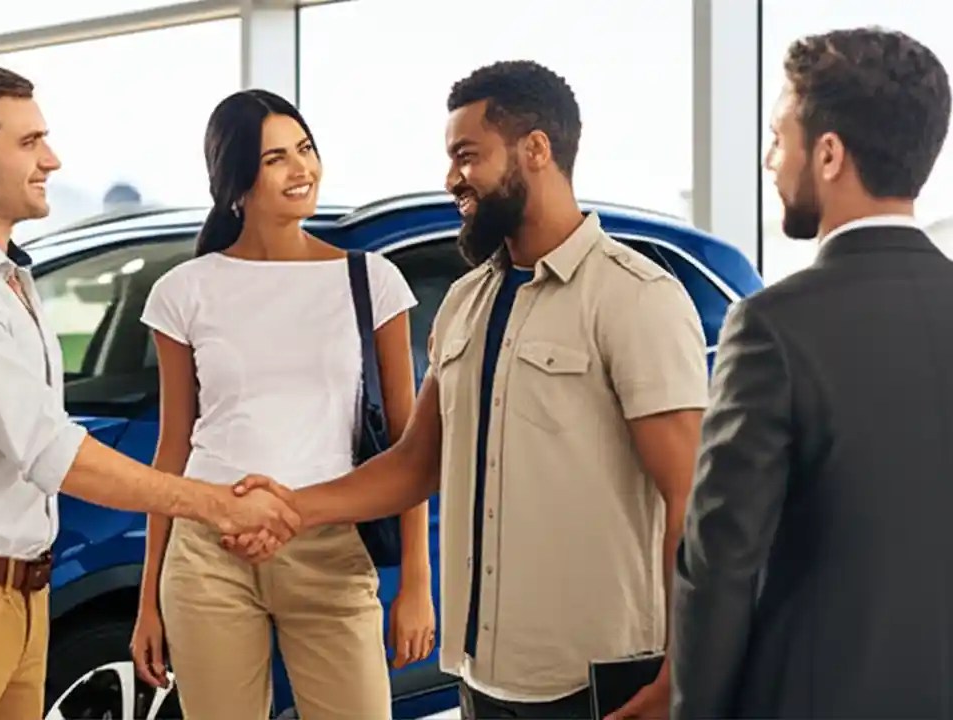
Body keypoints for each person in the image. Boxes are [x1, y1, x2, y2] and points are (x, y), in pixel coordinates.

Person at [231, 60, 709, 719]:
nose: (453, 178)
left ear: (535, 150)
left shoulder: (635, 300)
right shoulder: (465, 303)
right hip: (482, 679)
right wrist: (292, 508)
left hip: (599, 686)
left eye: (467, 156)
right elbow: (415, 463)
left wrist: (683, 671)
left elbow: (690, 495)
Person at [0, 64, 298, 720]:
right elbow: (45, 448)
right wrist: (215, 506)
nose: (52, 160)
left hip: (19, 595)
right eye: (29, 142)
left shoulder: (9, 277)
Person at [670, 27, 953, 719]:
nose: (771, 160)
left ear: (828, 153)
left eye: (778, 135)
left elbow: (721, 566)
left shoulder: (773, 327)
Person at [129, 88, 435, 720]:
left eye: (306, 149)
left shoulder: (369, 280)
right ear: (237, 181)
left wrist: (417, 583)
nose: (302, 170)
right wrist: (148, 597)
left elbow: (408, 448)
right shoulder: (183, 292)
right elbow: (173, 447)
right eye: (276, 159)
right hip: (208, 551)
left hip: (330, 546)